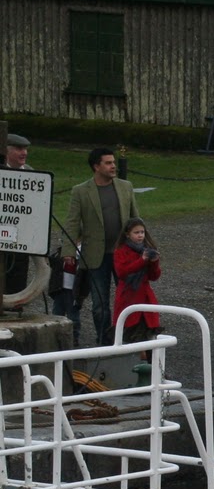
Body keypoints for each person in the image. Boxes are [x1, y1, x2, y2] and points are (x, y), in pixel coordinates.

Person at [61, 147, 139, 345]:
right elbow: (71, 222)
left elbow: (135, 219)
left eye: (113, 162)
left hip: (123, 254)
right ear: (96, 166)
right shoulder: (80, 191)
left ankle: (131, 340)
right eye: (108, 163)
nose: (113, 166)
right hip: (96, 255)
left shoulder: (125, 187)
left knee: (131, 299)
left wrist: (143, 246)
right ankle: (104, 342)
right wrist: (68, 251)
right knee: (99, 304)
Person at [112, 217, 162, 343]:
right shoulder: (121, 250)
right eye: (136, 232)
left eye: (142, 232)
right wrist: (142, 261)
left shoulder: (147, 249)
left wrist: (155, 262)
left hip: (145, 295)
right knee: (130, 331)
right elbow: (122, 272)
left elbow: (154, 276)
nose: (140, 235)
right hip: (128, 296)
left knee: (148, 331)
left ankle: (147, 358)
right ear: (127, 234)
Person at [2, 125, 35, 300]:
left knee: (18, 279)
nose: (24, 153)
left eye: (25, 149)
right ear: (6, 151)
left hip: (21, 240)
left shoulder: (31, 172)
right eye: (19, 149)